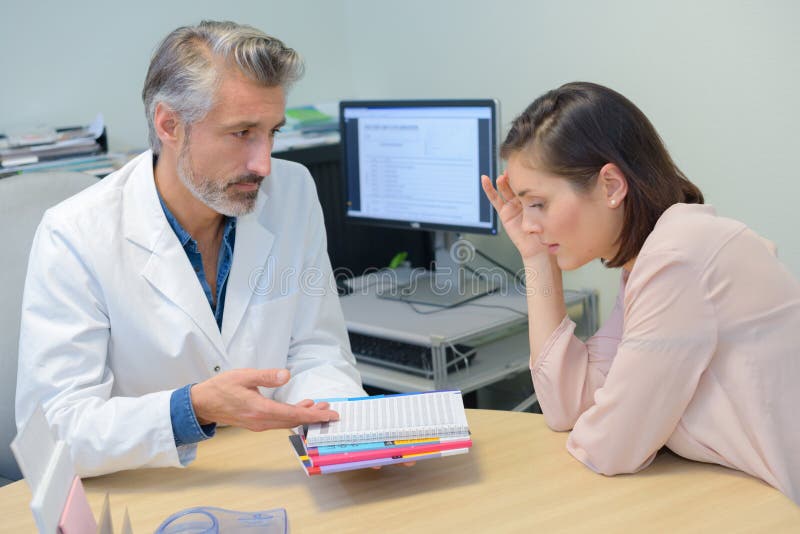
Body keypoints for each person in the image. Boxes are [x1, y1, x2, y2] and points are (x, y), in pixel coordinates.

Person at [15, 20, 366, 477]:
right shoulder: (75, 234)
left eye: (272, 132)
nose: (264, 163)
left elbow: (316, 349)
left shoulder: (293, 190)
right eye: (242, 133)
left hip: (271, 472)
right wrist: (193, 408)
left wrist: (351, 433)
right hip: (149, 489)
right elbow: (55, 434)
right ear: (169, 124)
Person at [481, 81, 800, 504]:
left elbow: (611, 446)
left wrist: (605, 423)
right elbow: (566, 407)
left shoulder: (678, 258)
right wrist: (536, 259)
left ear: (611, 186)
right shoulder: (648, 262)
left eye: (537, 203)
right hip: (747, 497)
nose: (530, 222)